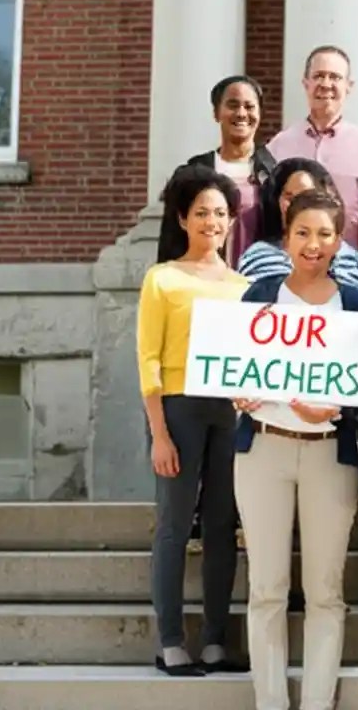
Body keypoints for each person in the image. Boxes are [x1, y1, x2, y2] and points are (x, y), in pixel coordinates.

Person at [230, 190, 358, 710]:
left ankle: (316, 703)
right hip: (262, 451)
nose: (314, 245)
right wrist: (237, 396)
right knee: (267, 587)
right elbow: (234, 370)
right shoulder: (258, 297)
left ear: (340, 241)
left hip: (328, 457)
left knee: (324, 591)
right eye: (303, 233)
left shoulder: (355, 305)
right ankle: (270, 702)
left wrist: (335, 411)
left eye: (325, 234)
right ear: (286, 237)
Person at [138, 165, 250, 676]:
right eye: (202, 212)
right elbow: (149, 361)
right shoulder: (162, 278)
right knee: (175, 525)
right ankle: (169, 640)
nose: (212, 221)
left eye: (221, 213)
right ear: (183, 218)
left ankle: (215, 641)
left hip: (230, 412)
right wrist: (159, 433)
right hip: (179, 408)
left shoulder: (246, 286)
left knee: (224, 525)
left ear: (232, 221)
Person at [268, 45, 358, 246]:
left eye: (335, 77)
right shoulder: (279, 146)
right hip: (291, 266)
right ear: (305, 84)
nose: (326, 84)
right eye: (318, 76)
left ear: (349, 86)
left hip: (350, 267)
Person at [183, 75, 276, 265]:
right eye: (232, 105)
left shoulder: (273, 175)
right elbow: (172, 239)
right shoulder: (194, 173)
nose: (241, 113)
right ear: (216, 113)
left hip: (257, 285)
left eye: (249, 106)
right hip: (203, 280)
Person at [237, 158, 358, 288]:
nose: (297, 206)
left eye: (306, 196)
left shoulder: (347, 256)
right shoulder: (259, 255)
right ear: (276, 201)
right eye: (290, 198)